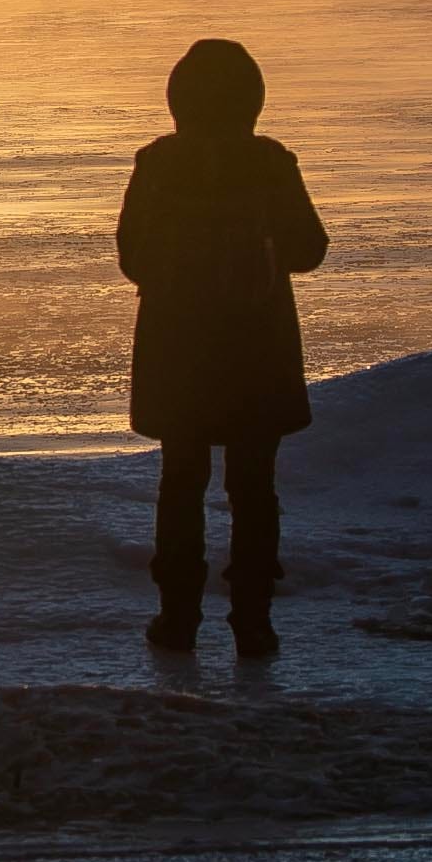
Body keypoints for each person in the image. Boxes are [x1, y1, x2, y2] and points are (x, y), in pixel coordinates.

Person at [115, 38, 328, 658]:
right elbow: (310, 250)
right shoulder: (270, 164)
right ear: (253, 100)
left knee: (181, 483)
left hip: (179, 351)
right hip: (257, 349)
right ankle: (253, 623)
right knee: (254, 488)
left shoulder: (157, 165)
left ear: (177, 100)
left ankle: (177, 620)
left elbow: (133, 259)